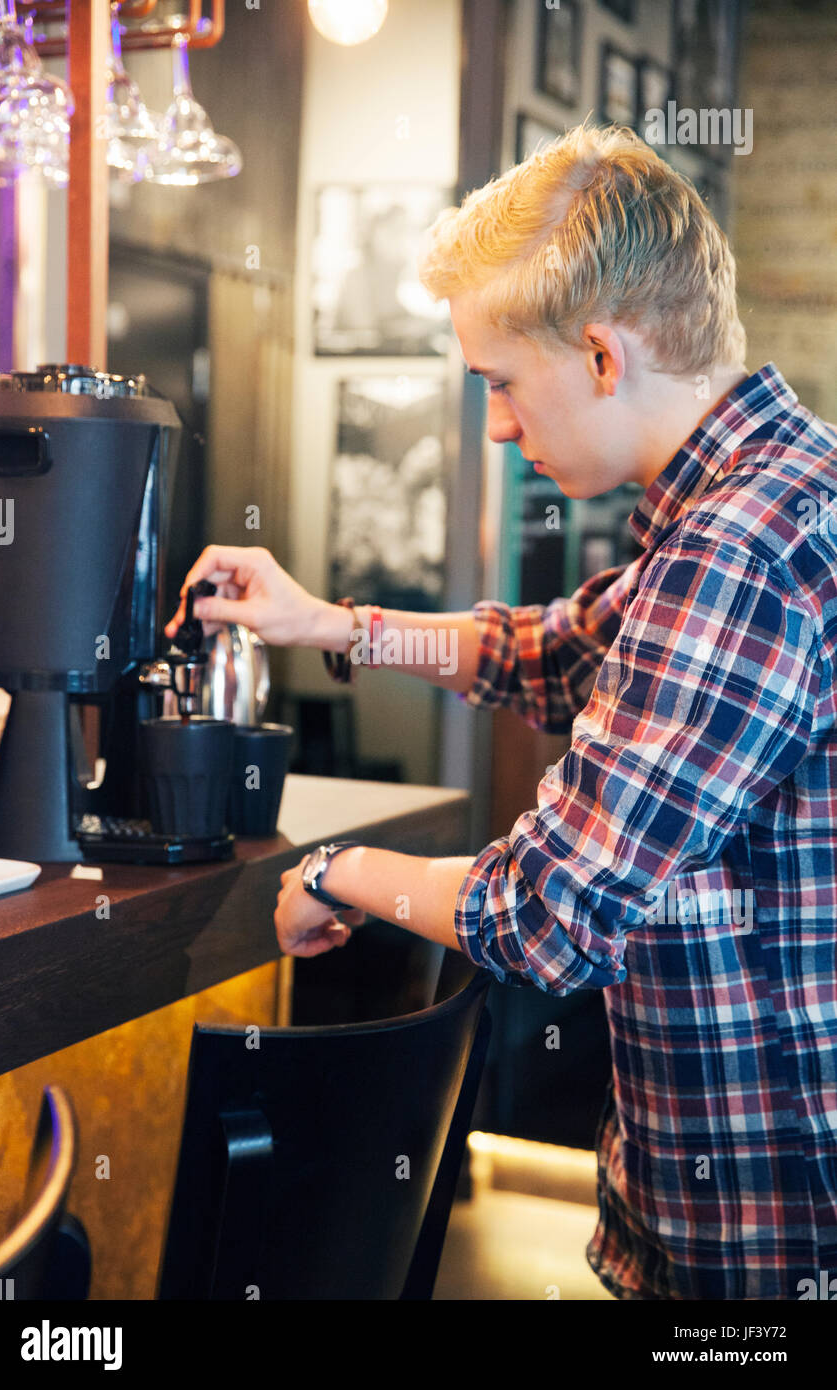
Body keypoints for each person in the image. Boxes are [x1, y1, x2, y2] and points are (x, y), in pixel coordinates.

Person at [165, 122, 837, 1302]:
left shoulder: (733, 549)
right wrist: (327, 622)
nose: (496, 427)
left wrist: (337, 873)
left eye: (499, 383)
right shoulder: (772, 492)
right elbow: (545, 652)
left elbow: (545, 914)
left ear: (597, 353)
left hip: (765, 1219)